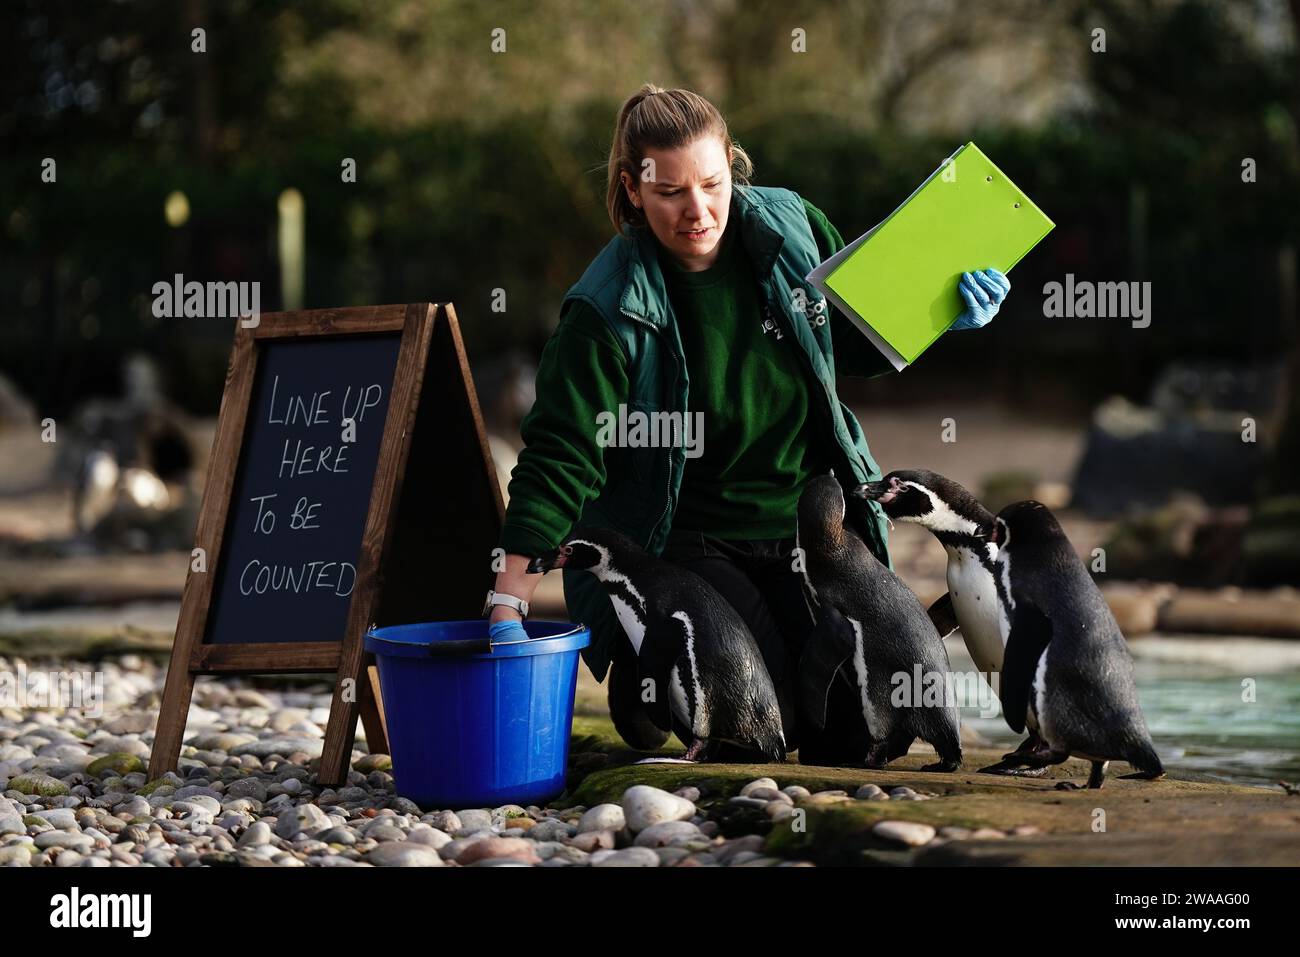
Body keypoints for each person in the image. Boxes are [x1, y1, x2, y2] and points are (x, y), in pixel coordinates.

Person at [483, 84, 1009, 761]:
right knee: (756, 728)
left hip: (806, 530)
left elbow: (841, 343)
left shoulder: (792, 223)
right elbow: (562, 453)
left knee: (855, 731)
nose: (697, 211)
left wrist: (946, 312)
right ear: (633, 188)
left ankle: (679, 682)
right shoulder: (604, 307)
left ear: (733, 164)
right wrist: (508, 605)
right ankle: (646, 677)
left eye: (711, 183)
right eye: (670, 192)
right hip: (688, 539)